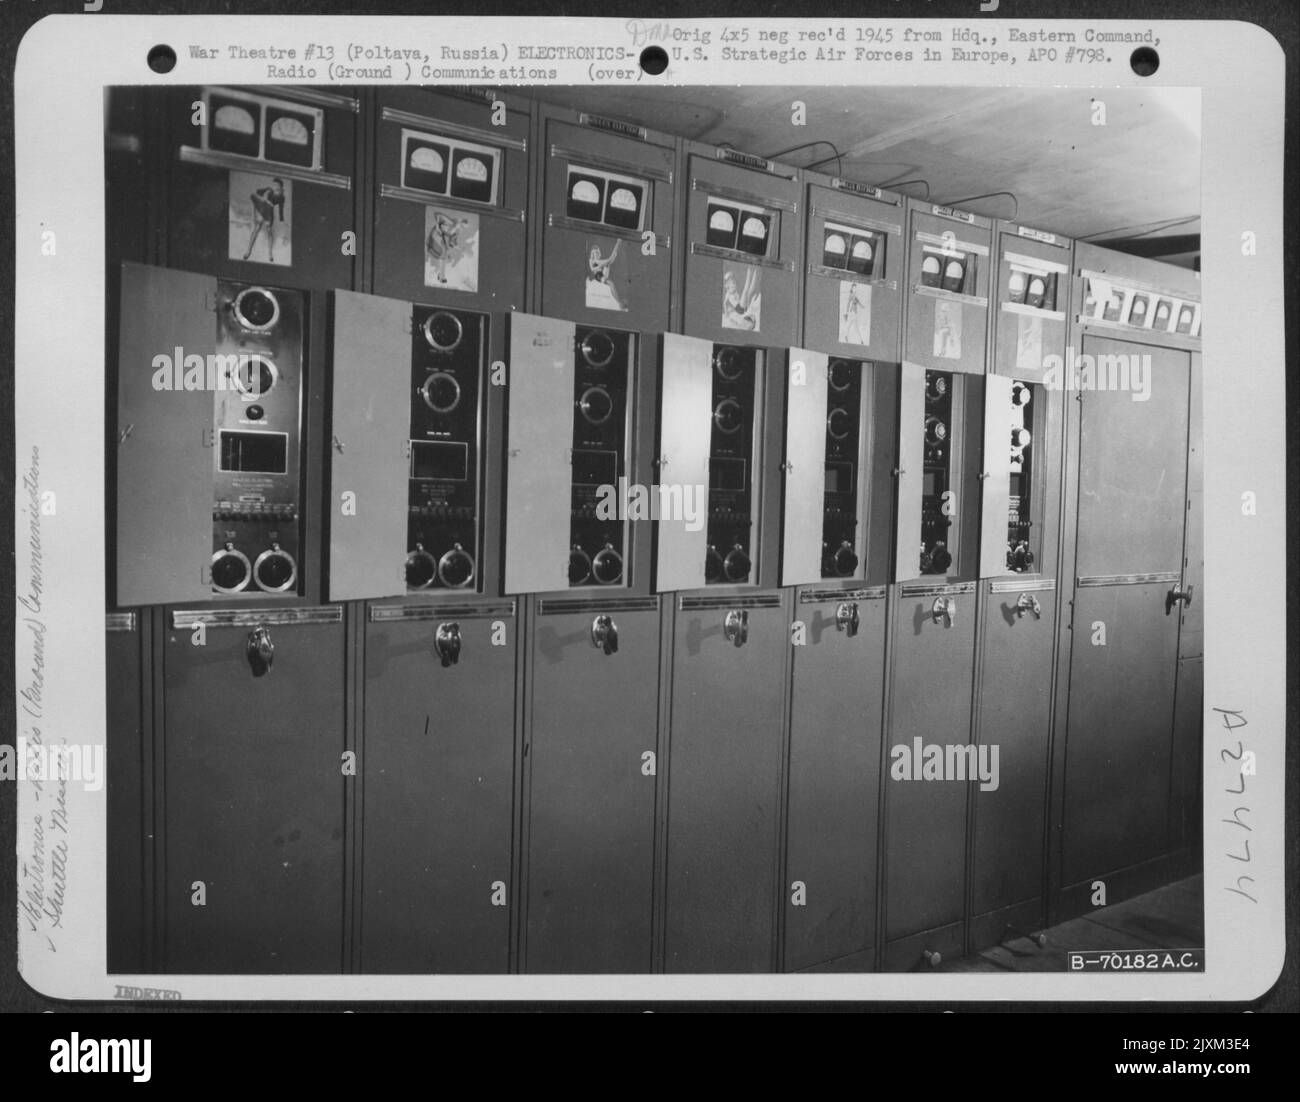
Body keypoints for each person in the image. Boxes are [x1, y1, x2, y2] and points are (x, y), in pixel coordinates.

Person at [242, 177, 285, 262]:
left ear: (280, 187)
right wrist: (266, 191)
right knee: (256, 229)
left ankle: (270, 253)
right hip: (263, 209)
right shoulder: (270, 190)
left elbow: (281, 209)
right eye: (274, 185)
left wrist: (281, 220)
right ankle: (248, 251)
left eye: (277, 185)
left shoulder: (282, 196)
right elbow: (258, 192)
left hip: (269, 213)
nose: (275, 186)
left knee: (269, 231)